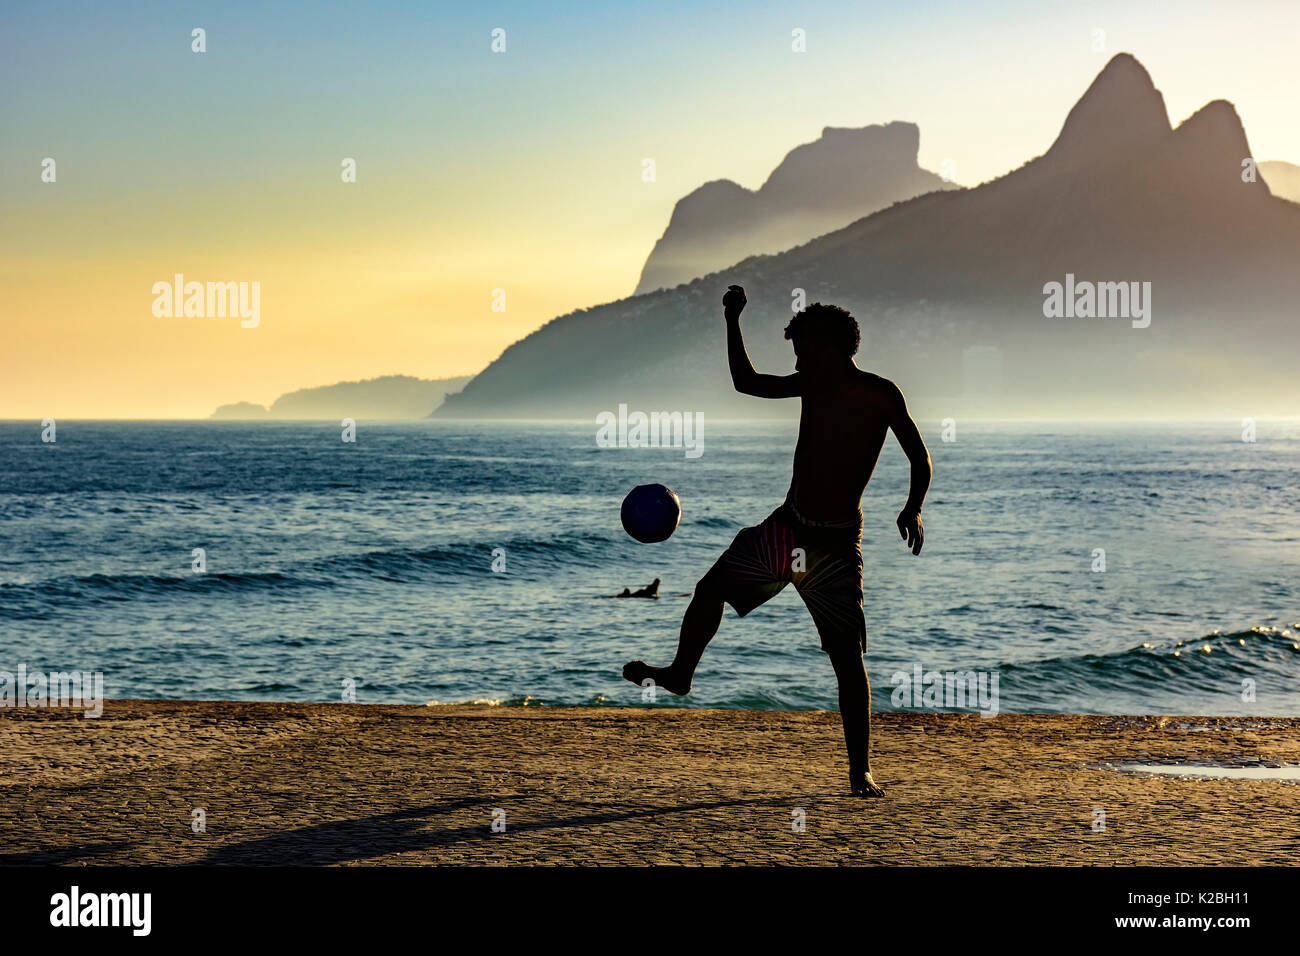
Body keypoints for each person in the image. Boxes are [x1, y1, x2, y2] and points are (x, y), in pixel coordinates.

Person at [623, 285, 931, 797]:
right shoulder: (811, 383)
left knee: (848, 660)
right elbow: (746, 382)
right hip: (786, 530)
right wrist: (731, 318)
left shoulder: (881, 394)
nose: (797, 359)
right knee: (709, 589)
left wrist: (912, 507)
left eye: (803, 349)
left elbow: (919, 459)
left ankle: (861, 771)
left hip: (833, 548)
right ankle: (680, 674)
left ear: (832, 346)